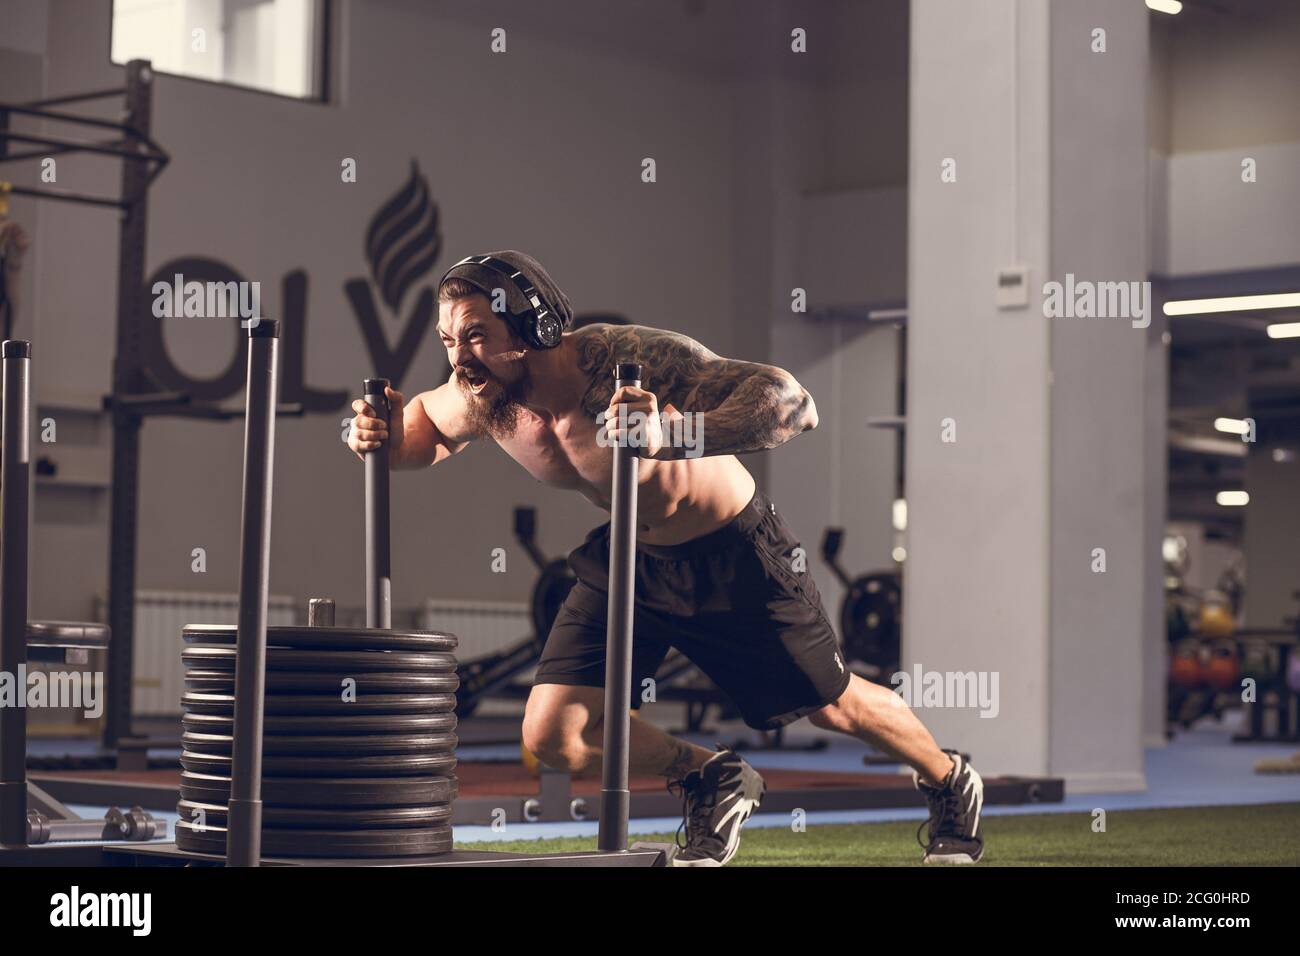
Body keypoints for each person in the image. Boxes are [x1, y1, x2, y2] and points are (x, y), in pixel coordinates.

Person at [347, 251, 984, 866]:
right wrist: (378, 434)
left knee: (831, 704)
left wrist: (675, 434)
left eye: (477, 335)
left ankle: (948, 780)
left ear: (533, 326)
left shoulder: (627, 362)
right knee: (553, 739)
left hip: (733, 552)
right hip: (631, 556)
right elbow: (423, 433)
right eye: (448, 339)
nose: (459, 357)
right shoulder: (486, 395)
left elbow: (795, 405)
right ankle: (713, 777)